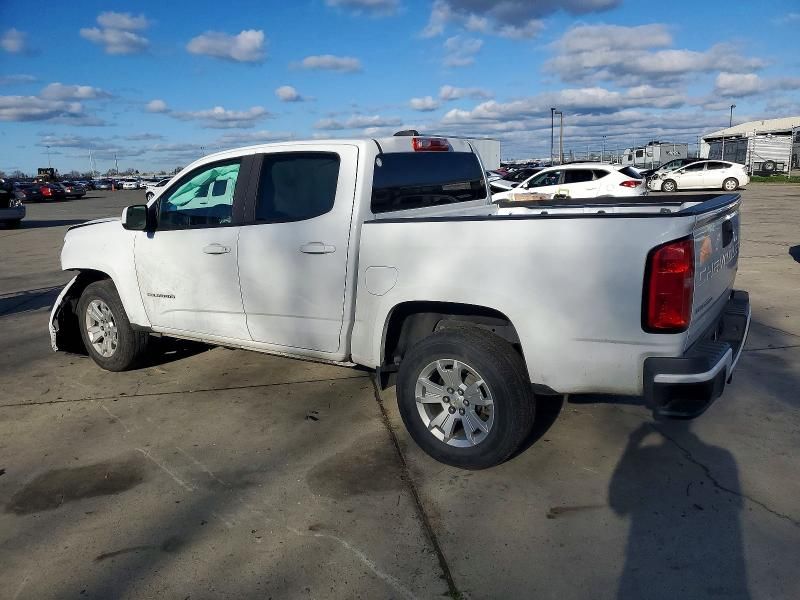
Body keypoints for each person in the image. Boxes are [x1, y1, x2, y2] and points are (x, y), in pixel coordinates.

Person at [609, 421, 750, 600]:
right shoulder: (722, 457)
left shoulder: (646, 457)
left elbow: (618, 504)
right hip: (706, 567)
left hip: (649, 564)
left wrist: (634, 441)